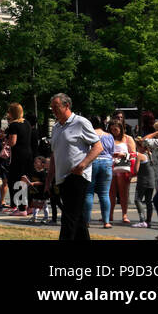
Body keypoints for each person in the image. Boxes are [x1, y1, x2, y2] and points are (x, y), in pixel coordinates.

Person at [48, 93, 103, 241]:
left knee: (68, 218)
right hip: (62, 178)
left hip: (77, 177)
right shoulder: (56, 127)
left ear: (67, 106)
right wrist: (49, 178)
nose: (53, 110)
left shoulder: (81, 122)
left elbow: (98, 147)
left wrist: (82, 165)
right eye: (52, 107)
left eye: (56, 107)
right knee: (76, 218)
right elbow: (54, 154)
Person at [83, 116, 115, 229]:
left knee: (89, 192)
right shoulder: (109, 136)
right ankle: (106, 221)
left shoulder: (89, 135)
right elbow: (112, 151)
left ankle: (86, 221)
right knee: (104, 193)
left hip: (93, 162)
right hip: (106, 163)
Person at [3, 103, 33, 215]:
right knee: (26, 180)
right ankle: (29, 206)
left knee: (15, 181)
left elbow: (13, 142)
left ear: (12, 113)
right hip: (28, 154)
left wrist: (6, 139)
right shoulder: (27, 123)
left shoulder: (14, 125)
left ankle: (21, 208)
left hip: (18, 155)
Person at [109, 119, 133, 225]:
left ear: (121, 129)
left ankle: (124, 214)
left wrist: (124, 155)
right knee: (111, 193)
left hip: (122, 166)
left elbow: (133, 153)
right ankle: (110, 214)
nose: (114, 131)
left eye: (116, 129)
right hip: (110, 166)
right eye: (112, 130)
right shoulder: (109, 138)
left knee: (123, 192)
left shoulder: (127, 138)